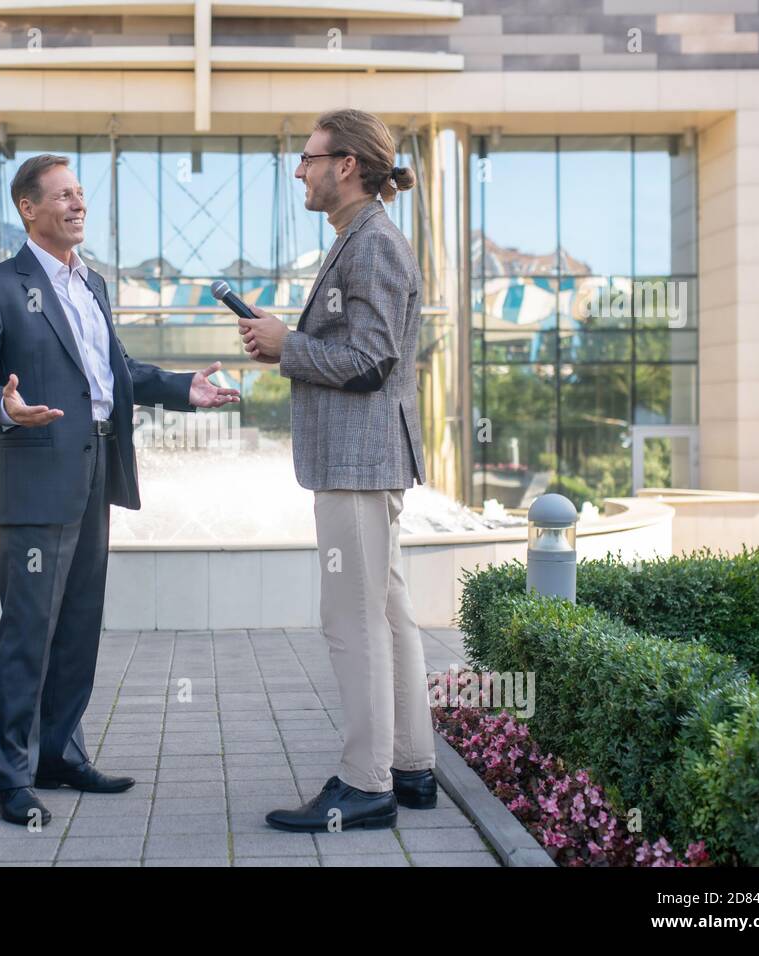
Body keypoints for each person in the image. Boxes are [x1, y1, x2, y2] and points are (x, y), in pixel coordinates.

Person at [0, 153, 239, 827]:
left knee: (77, 627)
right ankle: (10, 777)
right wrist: (0, 404)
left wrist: (182, 390)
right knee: (29, 630)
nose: (79, 204)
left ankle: (59, 755)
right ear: (28, 208)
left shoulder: (93, 284)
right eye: (64, 195)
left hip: (99, 467)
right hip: (37, 474)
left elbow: (115, 369)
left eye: (81, 194)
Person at [238, 109, 436, 832]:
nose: (300, 171)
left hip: (359, 461)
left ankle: (365, 783)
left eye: (308, 158)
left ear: (345, 164)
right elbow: (357, 352)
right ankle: (412, 770)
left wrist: (289, 346)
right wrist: (283, 343)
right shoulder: (362, 238)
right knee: (386, 614)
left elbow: (370, 362)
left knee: (350, 620)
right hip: (363, 458)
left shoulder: (374, 243)